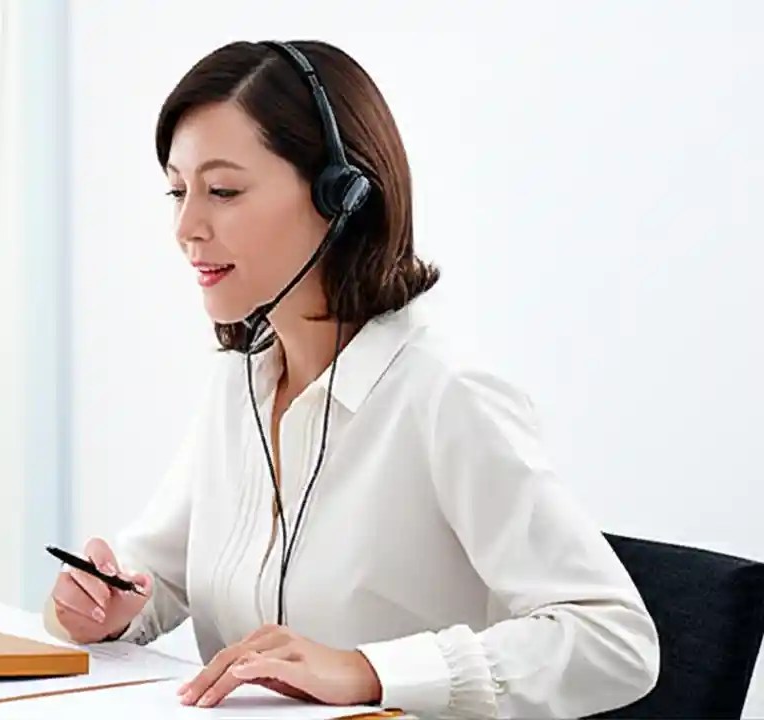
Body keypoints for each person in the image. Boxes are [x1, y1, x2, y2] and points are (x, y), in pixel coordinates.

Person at [43, 39, 659, 718]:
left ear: (343, 196)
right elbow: (160, 570)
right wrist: (108, 605)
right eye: (178, 190)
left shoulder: (444, 397)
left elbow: (615, 639)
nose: (187, 227)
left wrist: (370, 671)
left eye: (222, 190)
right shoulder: (242, 384)